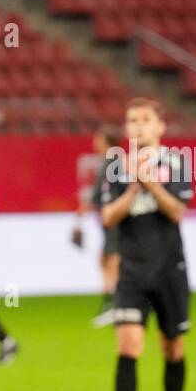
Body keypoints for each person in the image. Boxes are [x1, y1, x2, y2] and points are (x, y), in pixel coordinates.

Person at [96, 99, 191, 391]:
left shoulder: (176, 163)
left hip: (169, 270)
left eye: (145, 120)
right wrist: (134, 186)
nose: (137, 127)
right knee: (129, 343)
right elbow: (107, 217)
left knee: (172, 347)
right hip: (132, 272)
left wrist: (150, 183)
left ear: (160, 127)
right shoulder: (116, 167)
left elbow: (177, 210)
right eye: (131, 120)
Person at [75, 126, 121, 327]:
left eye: (98, 139)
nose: (95, 143)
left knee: (111, 261)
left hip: (114, 221)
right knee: (106, 260)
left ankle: (114, 305)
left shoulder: (114, 164)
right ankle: (112, 304)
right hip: (107, 221)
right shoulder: (108, 163)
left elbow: (109, 193)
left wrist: (90, 207)